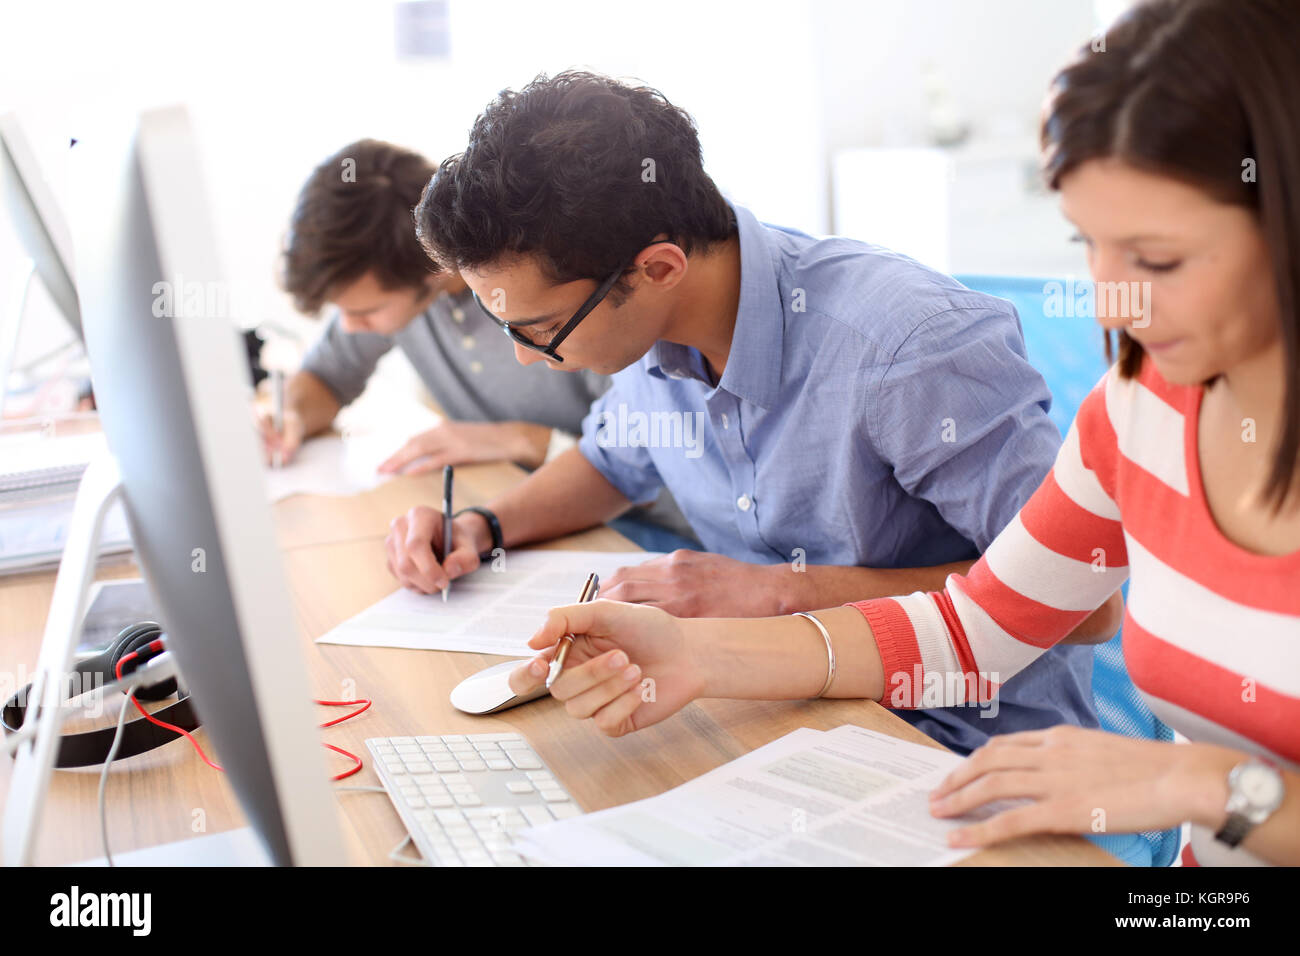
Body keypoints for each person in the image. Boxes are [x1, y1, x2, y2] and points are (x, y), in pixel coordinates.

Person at [504, 0, 1300, 866]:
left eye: (1158, 260)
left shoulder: (906, 337)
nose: (1111, 303)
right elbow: (977, 629)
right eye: (1088, 246)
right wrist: (693, 653)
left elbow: (1166, 736)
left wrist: (1199, 787)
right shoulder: (1140, 411)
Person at [386, 71, 1123, 756]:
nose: (524, 357)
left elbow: (1086, 609)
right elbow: (610, 463)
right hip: (771, 713)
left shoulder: (908, 346)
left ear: (660, 268)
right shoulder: (645, 334)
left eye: (540, 328)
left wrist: (777, 593)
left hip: (961, 742)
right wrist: (481, 528)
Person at [261, 138, 697, 549]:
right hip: (520, 507)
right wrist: (290, 414)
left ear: (432, 267)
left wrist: (525, 440)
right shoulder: (390, 292)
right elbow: (326, 375)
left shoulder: (552, 296)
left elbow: (647, 472)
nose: (351, 327)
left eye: (365, 312)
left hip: (641, 525)